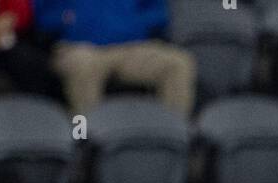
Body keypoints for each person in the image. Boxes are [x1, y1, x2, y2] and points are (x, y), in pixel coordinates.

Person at [34, 0, 196, 116]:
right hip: (78, 46)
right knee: (84, 65)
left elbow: (159, 13)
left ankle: (176, 139)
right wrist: (66, 19)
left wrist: (133, 22)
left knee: (178, 63)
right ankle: (84, 140)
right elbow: (41, 15)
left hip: (130, 46)